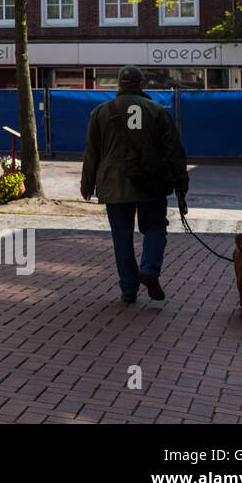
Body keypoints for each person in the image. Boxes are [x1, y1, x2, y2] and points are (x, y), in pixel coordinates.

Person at [81, 65, 190, 304]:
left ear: (119, 84)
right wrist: (181, 185)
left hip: (114, 184)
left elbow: (92, 153)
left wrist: (87, 184)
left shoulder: (100, 112)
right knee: (155, 228)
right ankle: (150, 269)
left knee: (122, 237)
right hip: (151, 182)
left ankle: (129, 289)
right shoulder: (157, 111)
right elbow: (174, 152)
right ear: (142, 85)